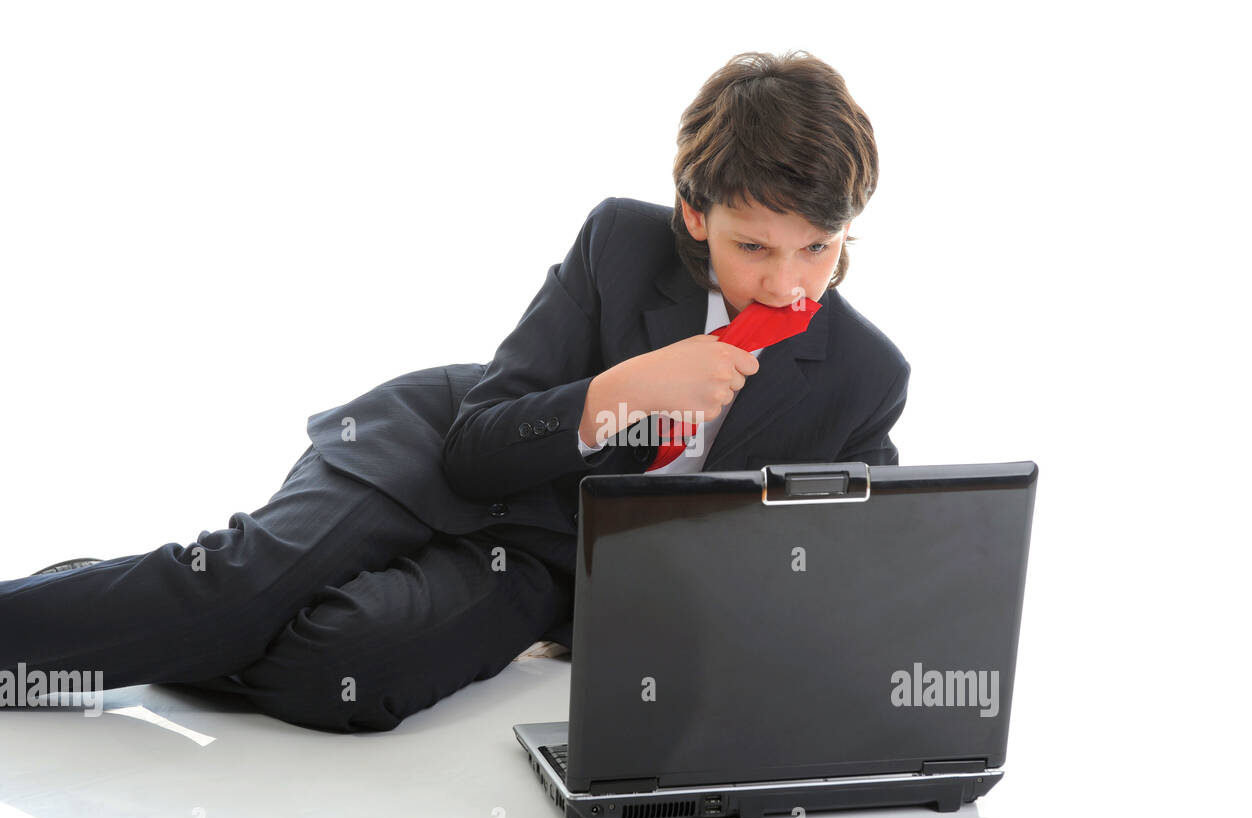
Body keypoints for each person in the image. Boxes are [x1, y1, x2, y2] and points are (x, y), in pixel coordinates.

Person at [0, 50, 910, 733]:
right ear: (695, 213)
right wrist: (614, 397)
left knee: (350, 674)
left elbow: (844, 568)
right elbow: (476, 448)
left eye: (818, 247)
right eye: (753, 247)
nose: (788, 282)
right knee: (242, 586)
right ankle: (136, 618)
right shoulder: (621, 243)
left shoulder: (868, 378)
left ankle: (120, 609)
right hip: (422, 452)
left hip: (543, 569)